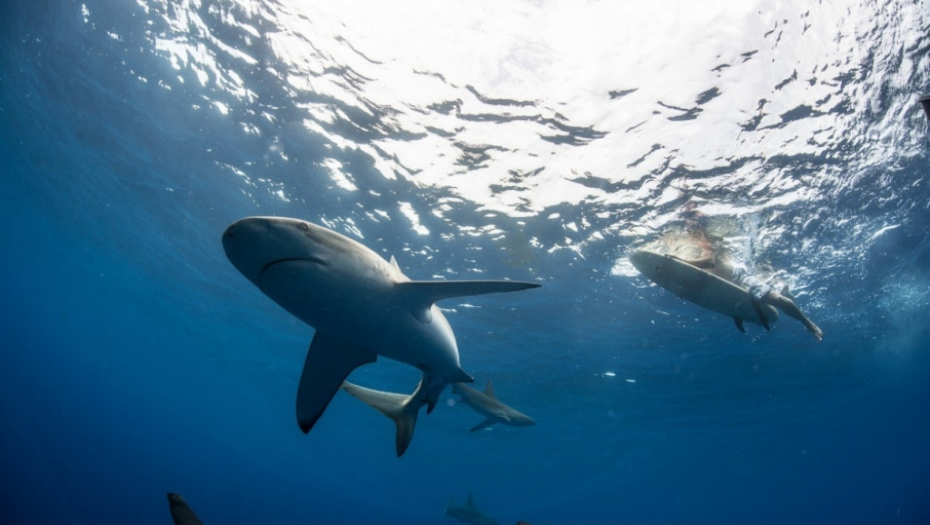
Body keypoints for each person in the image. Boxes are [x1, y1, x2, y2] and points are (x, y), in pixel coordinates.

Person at [676, 254, 823, 341]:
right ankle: (781, 293)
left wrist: (682, 260)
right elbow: (718, 295)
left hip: (739, 276)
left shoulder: (708, 249)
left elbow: (714, 260)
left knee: (777, 300)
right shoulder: (701, 271)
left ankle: (808, 323)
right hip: (731, 288)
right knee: (750, 303)